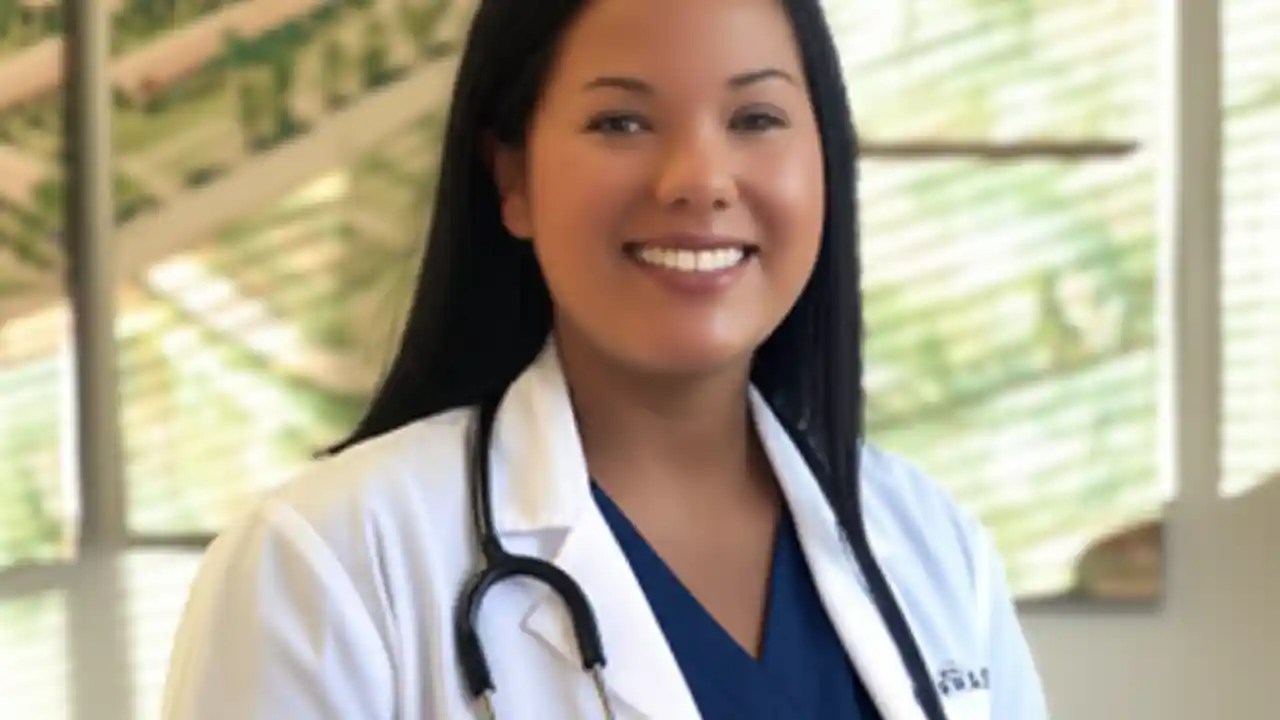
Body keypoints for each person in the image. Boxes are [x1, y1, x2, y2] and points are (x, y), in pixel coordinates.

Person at [161, 0, 1049, 718]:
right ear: (511, 179)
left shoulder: (929, 546)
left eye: (757, 117)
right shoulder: (334, 561)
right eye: (621, 120)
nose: (699, 178)